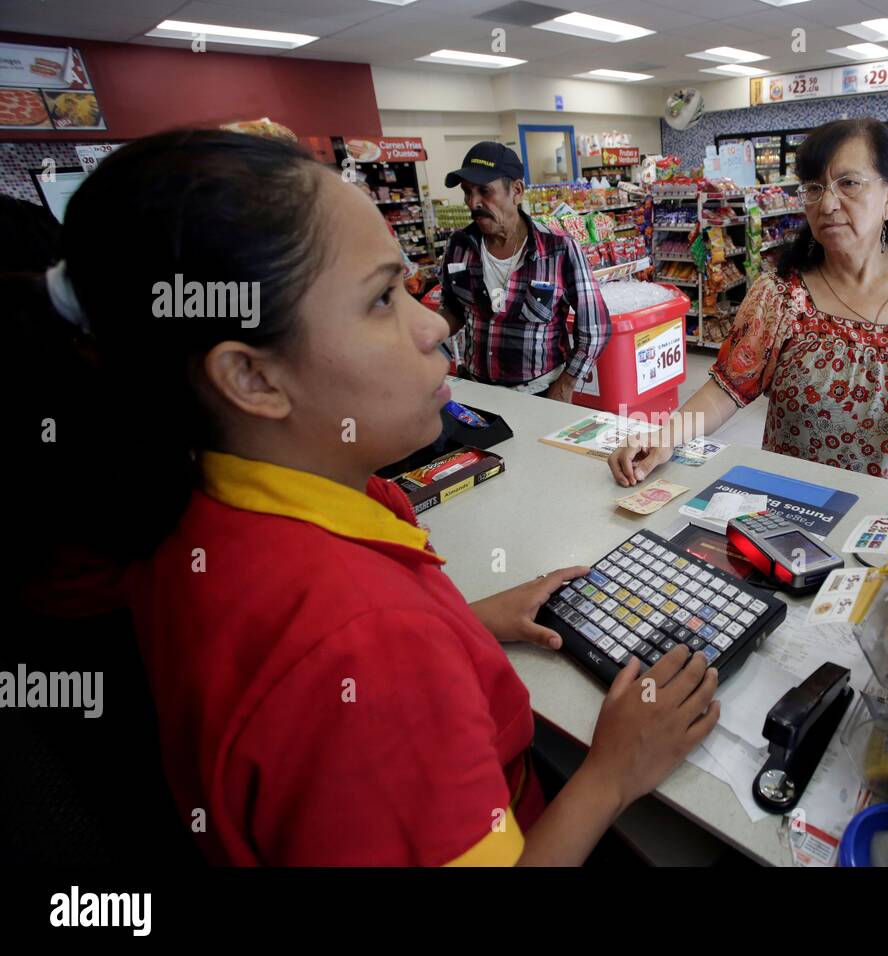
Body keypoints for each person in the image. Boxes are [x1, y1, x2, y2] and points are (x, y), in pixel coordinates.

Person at [9, 129, 719, 866]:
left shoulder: (184, 515)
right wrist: (612, 774)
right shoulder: (364, 647)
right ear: (252, 378)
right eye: (381, 298)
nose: (435, 324)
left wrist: (465, 623)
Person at [609, 118, 888, 488]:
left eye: (848, 183)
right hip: (796, 509)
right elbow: (727, 389)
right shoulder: (782, 296)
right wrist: (664, 437)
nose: (828, 204)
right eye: (814, 188)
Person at [439, 142, 610, 402]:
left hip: (539, 392)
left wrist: (566, 384)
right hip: (477, 389)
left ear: (517, 191)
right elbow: (453, 309)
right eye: (467, 192)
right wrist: (425, 335)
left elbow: (595, 327)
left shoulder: (559, 248)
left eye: (484, 191)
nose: (473, 202)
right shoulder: (459, 245)